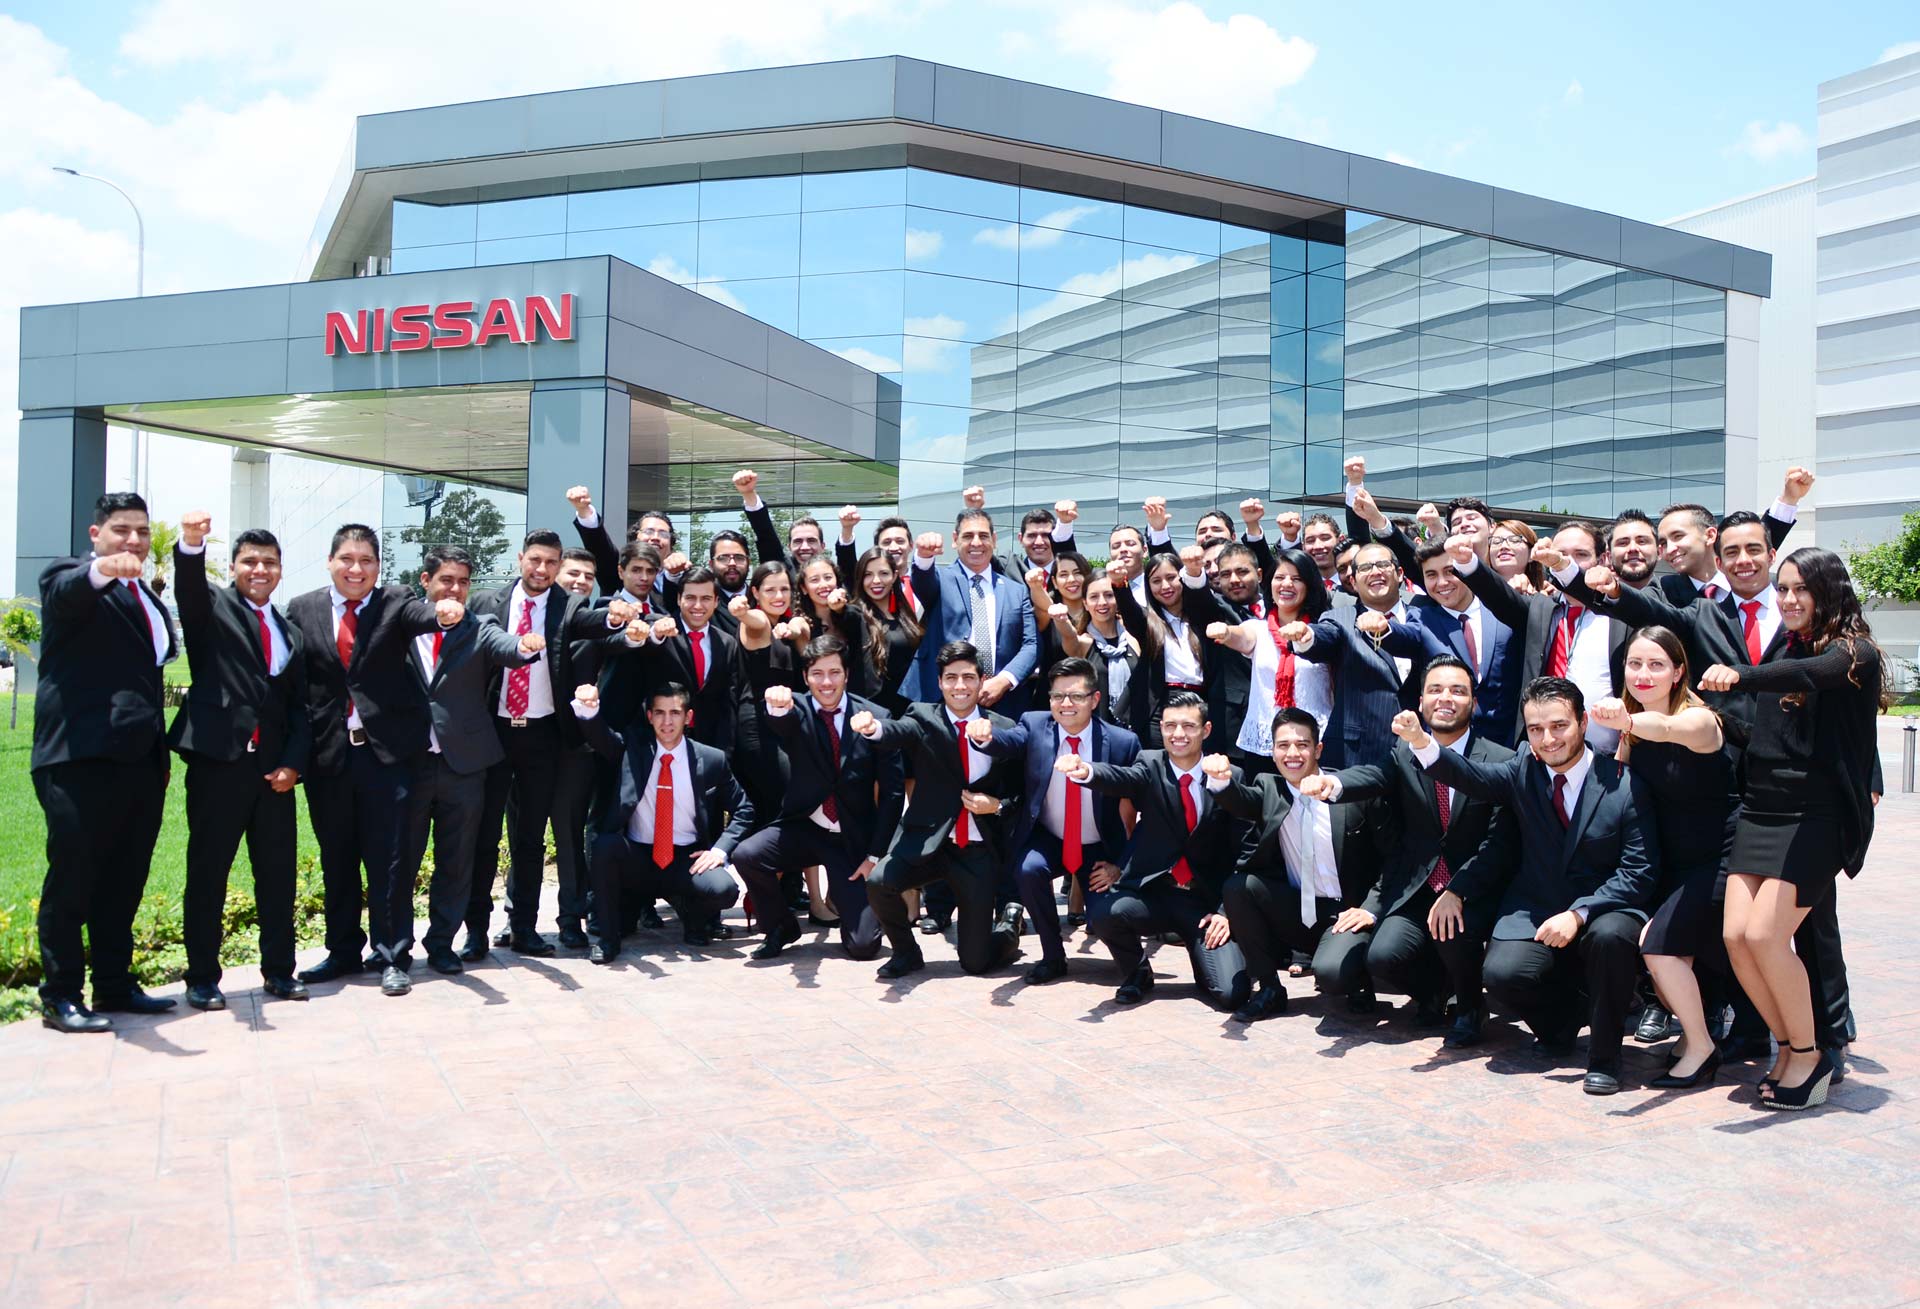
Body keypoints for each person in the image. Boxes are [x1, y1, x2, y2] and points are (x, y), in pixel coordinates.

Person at [1401, 678, 1659, 1095]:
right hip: (1537, 903)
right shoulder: (1524, 768)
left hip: (1605, 908)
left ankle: (1606, 1059)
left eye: (1559, 726)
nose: (1548, 740)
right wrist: (1420, 742)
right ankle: (1561, 1025)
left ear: (1583, 721)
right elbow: (1471, 776)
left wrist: (1579, 914)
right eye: (1536, 730)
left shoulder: (1623, 782)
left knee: (1611, 938)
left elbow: (1639, 871)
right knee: (1502, 973)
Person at [1701, 547, 1884, 1111]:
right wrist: (1707, 719)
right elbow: (1765, 739)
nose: (1787, 599)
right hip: (1762, 810)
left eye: (1800, 588)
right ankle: (1785, 1044)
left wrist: (1742, 675)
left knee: (1766, 937)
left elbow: (1809, 676)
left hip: (1816, 816)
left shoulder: (1855, 654)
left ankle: (1812, 1054)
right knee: (1736, 936)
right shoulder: (1791, 646)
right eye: (1782, 589)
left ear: (1828, 590)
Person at [1299, 655, 1519, 1047]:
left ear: (1473, 701)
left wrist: (1461, 890)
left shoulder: (1502, 760)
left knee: (1454, 930)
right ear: (1420, 701)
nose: (1445, 698)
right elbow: (1373, 775)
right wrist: (1332, 783)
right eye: (1435, 690)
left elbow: (1499, 844)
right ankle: (1436, 993)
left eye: (1457, 690)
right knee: (1383, 956)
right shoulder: (1404, 753)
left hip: (1476, 888)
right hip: (1421, 886)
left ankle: (1470, 1007)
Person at [289, 524, 459, 996]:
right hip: (330, 757)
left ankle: (391, 954)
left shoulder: (395, 601)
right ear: (330, 561)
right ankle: (342, 950)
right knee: (337, 857)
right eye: (347, 558)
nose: (356, 569)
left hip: (385, 755)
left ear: (378, 567)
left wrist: (443, 613)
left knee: (389, 859)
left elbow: (422, 616)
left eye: (366, 560)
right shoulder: (302, 609)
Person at [32, 492, 180, 1032]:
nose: (134, 540)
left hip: (140, 763)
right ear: (96, 534)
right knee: (74, 877)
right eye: (122, 530)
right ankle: (60, 995)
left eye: (141, 530)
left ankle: (115, 985)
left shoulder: (144, 596)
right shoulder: (69, 578)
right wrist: (100, 571)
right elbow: (70, 591)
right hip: (79, 757)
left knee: (124, 879)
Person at [168, 512, 312, 1011]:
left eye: (269, 563)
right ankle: (202, 977)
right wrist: (191, 544)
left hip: (273, 774)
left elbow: (299, 706)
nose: (260, 570)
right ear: (232, 568)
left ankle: (279, 971)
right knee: (208, 874)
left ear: (279, 570)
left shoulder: (289, 629)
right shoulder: (211, 608)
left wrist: (293, 764)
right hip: (219, 766)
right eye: (250, 562)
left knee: (277, 876)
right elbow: (188, 587)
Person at [1583, 628, 1738, 1089]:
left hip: (1719, 859)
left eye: (1656, 665)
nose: (1643, 674)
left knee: (1659, 944)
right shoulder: (1632, 730)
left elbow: (1665, 728)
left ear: (1678, 672)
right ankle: (1698, 1033)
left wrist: (1624, 720)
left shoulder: (1699, 720)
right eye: (1634, 665)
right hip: (1668, 864)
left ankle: (1701, 1046)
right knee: (1656, 947)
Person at [400, 546, 547, 985]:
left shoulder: (478, 625)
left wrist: (524, 646)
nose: (456, 590)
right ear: (425, 581)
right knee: (400, 860)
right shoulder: (400, 625)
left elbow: (505, 647)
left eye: (464, 581)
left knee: (456, 860)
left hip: (463, 765)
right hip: (407, 763)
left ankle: (442, 944)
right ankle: (394, 948)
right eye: (447, 580)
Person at [1060, 692, 1249, 1011]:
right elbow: (1121, 778)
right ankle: (1137, 972)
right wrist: (1087, 772)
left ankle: (1205, 958)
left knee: (1232, 994)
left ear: (1206, 730)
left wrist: (1226, 912)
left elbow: (1245, 850)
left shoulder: (1228, 776)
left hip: (1203, 904)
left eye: (1188, 726)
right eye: (1170, 725)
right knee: (1106, 912)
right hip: (1155, 894)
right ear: (1160, 728)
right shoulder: (1149, 764)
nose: (1178, 734)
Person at [850, 641, 1026, 979]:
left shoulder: (1003, 727)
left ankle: (1009, 927)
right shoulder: (922, 716)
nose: (960, 686)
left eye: (968, 678)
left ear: (981, 680)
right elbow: (897, 731)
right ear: (940, 682)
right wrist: (874, 729)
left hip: (977, 851)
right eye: (951, 678)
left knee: (976, 963)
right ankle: (906, 952)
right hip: (926, 842)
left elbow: (1022, 794)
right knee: (878, 881)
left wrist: (997, 806)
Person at [469, 529, 605, 957]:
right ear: (520, 558)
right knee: (484, 836)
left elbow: (596, 625)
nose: (542, 569)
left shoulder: (570, 605)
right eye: (535, 560)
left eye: (550, 562)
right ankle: (476, 931)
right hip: (493, 731)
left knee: (529, 837)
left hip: (543, 735)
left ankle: (524, 928)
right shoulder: (487, 602)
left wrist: (619, 618)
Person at [1210, 708, 1391, 1022]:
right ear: (1272, 751)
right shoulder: (1270, 788)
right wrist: (1220, 782)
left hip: (1347, 912)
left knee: (1332, 974)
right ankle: (1269, 989)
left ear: (1318, 749)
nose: (1292, 753)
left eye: (1302, 744)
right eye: (1283, 745)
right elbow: (1240, 800)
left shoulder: (1348, 790)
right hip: (1299, 912)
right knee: (1238, 887)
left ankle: (1357, 977)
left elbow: (1392, 856)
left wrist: (1370, 907)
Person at [732, 635, 905, 961]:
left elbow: (894, 792)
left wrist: (875, 854)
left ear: (847, 674)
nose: (826, 682)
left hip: (852, 840)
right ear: (805, 677)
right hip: (805, 827)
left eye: (834, 673)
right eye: (817, 674)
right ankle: (781, 927)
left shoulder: (877, 716)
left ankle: (854, 908)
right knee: (747, 855)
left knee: (864, 947)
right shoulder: (794, 708)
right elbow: (781, 723)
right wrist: (775, 704)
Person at [971, 658, 1142, 984]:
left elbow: (1146, 810)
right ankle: (1053, 956)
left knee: (1106, 915)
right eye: (1057, 696)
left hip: (1099, 848)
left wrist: (1120, 864)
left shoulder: (1122, 743)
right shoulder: (1035, 725)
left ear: (1094, 699)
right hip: (1051, 837)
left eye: (1076, 696)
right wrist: (984, 737)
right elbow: (1008, 742)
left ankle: (1137, 968)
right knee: (1028, 869)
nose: (1065, 704)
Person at [571, 679, 751, 961]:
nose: (667, 721)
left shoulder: (711, 759)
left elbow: (744, 809)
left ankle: (693, 915)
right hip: (638, 858)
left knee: (724, 890)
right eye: (660, 713)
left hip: (684, 859)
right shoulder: (633, 748)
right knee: (604, 845)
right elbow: (601, 738)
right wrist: (588, 709)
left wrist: (719, 851)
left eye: (675, 713)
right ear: (650, 716)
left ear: (688, 717)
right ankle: (607, 941)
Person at [1443, 528, 1628, 753]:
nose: (1568, 562)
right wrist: (1468, 562)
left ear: (1602, 559)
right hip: (1542, 753)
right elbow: (1500, 596)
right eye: (1559, 555)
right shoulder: (1542, 609)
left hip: (1606, 756)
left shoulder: (1621, 617)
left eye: (1581, 555)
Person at [1280, 542, 1447, 769]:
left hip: (1421, 751)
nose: (1375, 572)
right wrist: (1306, 635)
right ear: (1354, 582)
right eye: (1366, 567)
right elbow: (1325, 637)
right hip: (1357, 755)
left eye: (1382, 564)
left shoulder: (1426, 616)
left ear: (1399, 574)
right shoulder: (1340, 618)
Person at [1204, 546, 1334, 767]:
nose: (1286, 584)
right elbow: (1242, 637)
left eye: (1296, 579)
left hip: (1314, 741)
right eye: (1280, 577)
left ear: (1309, 585)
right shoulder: (1258, 628)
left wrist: (1304, 636)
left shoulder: (1323, 629)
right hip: (1266, 743)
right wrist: (1225, 632)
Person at [907, 511, 1040, 715]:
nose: (976, 543)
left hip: (1003, 704)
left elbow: (1032, 644)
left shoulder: (1017, 590)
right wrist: (924, 557)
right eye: (968, 536)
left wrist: (1004, 680)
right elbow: (923, 581)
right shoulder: (941, 579)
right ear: (954, 540)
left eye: (983, 536)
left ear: (994, 540)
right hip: (942, 703)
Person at [1110, 544, 1236, 744]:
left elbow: (1203, 597)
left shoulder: (1202, 617)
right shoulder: (1147, 620)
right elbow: (1130, 612)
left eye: (1171, 578)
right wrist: (1118, 583)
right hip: (1159, 705)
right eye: (1156, 581)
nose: (1165, 587)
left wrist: (1194, 571)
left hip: (1200, 702)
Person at [1654, 467, 1809, 607]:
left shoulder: (1778, 589)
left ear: (1710, 535)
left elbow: (1760, 537)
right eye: (1663, 543)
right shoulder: (1663, 593)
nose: (1670, 549)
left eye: (1678, 536)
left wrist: (1789, 499)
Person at [848, 546, 925, 715]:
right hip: (870, 714)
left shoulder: (905, 615)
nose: (876, 581)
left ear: (894, 575)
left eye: (883, 573)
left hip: (908, 713)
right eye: (868, 575)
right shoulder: (855, 615)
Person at [733, 467, 825, 566]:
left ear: (822, 546)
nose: (804, 547)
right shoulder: (782, 571)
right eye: (798, 541)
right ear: (789, 546)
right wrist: (748, 493)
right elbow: (765, 535)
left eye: (811, 540)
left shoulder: (835, 577)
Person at [1487, 520, 1543, 593]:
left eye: (1515, 540)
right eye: (1496, 541)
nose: (1504, 546)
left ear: (1531, 554)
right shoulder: (1474, 596)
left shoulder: (1545, 600)